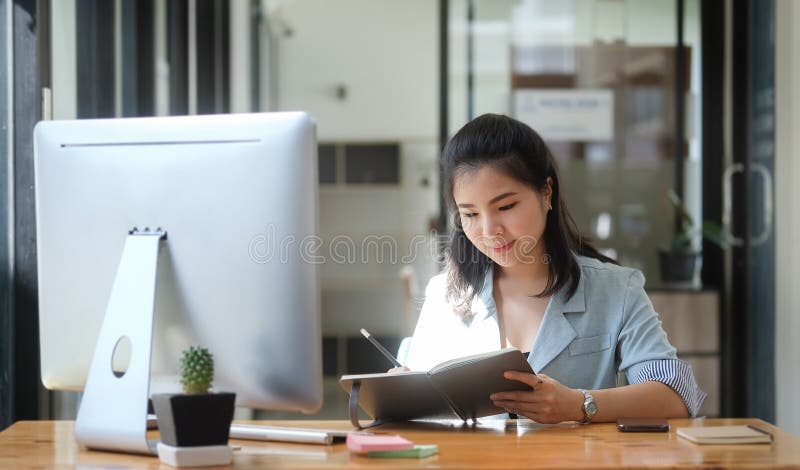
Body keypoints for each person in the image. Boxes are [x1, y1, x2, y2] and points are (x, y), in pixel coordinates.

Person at [399, 113, 705, 424]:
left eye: (505, 207)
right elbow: (416, 404)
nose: (490, 230)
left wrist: (578, 404)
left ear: (546, 192)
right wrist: (397, 394)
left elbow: (676, 395)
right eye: (471, 214)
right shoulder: (445, 294)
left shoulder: (615, 290)